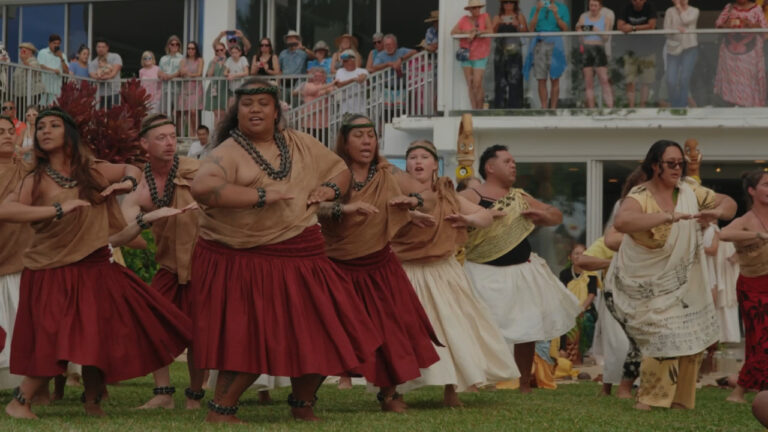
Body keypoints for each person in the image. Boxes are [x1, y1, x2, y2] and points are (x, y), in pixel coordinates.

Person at [188, 78, 381, 423]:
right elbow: (202, 187)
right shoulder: (227, 152)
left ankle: (302, 403)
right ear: (236, 111)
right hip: (247, 259)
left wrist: (328, 190)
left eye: (263, 103)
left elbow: (340, 170)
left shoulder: (301, 143)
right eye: (247, 104)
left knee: (326, 331)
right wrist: (260, 196)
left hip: (303, 253)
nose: (255, 110)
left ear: (276, 111)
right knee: (252, 338)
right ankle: (221, 410)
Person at [0, 107, 193, 419]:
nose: (45, 130)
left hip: (95, 266)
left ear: (69, 135)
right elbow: (6, 210)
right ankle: (20, 401)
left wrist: (126, 184)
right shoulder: (36, 179)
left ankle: (92, 402)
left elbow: (132, 168)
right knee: (55, 338)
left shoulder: (92, 171)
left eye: (54, 125)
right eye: (41, 127)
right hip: (52, 269)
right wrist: (56, 210)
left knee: (97, 334)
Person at [318, 115, 439, 413]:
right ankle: (303, 398)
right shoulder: (334, 172)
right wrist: (345, 209)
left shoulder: (388, 172)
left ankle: (390, 394)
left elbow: (428, 195)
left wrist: (413, 203)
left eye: (371, 135)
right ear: (345, 141)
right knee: (327, 332)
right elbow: (316, 205)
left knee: (391, 330)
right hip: (337, 267)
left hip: (379, 265)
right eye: (359, 135)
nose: (367, 141)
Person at [391, 139, 519, 407]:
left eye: (424, 157)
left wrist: (467, 219)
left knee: (452, 329)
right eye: (412, 157)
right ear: (406, 166)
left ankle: (452, 390)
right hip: (406, 270)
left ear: (434, 165)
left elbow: (485, 217)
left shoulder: (448, 196)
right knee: (402, 331)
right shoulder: (396, 194)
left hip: (442, 270)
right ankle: (396, 391)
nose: (418, 161)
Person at [611, 140, 737, 410]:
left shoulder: (689, 190)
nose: (677, 168)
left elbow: (730, 203)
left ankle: (681, 401)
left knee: (691, 336)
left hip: (685, 279)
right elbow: (622, 222)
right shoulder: (640, 194)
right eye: (671, 163)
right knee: (662, 335)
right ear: (655, 165)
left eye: (680, 163)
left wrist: (717, 211)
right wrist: (666, 216)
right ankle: (649, 398)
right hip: (648, 282)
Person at [459, 145, 581, 394]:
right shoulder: (470, 196)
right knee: (478, 329)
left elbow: (555, 214)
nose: (513, 165)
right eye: (507, 161)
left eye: (514, 161)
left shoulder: (519, 196)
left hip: (520, 271)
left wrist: (545, 216)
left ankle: (524, 382)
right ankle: (475, 380)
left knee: (528, 328)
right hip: (481, 271)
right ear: (490, 167)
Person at [119, 114, 204, 410]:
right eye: (161, 138)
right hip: (169, 267)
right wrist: (146, 219)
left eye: (173, 136)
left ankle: (194, 396)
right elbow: (122, 233)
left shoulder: (196, 171)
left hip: (202, 266)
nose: (170, 143)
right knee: (151, 323)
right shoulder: (140, 187)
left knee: (200, 333)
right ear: (144, 144)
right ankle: (163, 393)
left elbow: (224, 198)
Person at [720, 170, 768, 404]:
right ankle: (739, 391)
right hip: (752, 287)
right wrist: (759, 235)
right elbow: (723, 234)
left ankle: (750, 390)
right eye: (766, 185)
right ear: (752, 190)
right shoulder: (746, 220)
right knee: (760, 339)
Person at [0, 115, 34, 390]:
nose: (7, 136)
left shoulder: (28, 171)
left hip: (23, 255)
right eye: (0, 132)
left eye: (11, 131)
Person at [714, 0, 768, 107]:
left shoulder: (756, 9)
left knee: (749, 82)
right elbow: (718, 26)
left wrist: (751, 26)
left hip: (750, 58)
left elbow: (765, 31)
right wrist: (726, 26)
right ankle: (732, 106)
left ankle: (748, 108)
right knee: (730, 83)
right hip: (729, 58)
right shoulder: (729, 8)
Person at [558, 244, 598, 365]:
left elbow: (592, 294)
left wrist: (582, 309)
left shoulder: (591, 274)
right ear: (570, 257)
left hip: (585, 309)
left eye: (582, 254)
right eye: (576, 254)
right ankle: (564, 352)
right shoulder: (564, 274)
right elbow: (563, 293)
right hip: (569, 309)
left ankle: (581, 354)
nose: (579, 256)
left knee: (586, 320)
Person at [526, 0, 570, 109]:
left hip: (556, 44)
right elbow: (531, 29)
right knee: (541, 78)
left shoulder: (562, 8)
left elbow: (565, 28)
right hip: (540, 44)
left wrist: (556, 14)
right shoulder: (535, 8)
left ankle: (553, 108)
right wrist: (537, 11)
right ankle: (544, 108)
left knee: (555, 78)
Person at [451, 0, 493, 110]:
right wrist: (466, 32)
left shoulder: (485, 16)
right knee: (470, 83)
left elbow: (490, 30)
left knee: (477, 83)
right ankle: (474, 109)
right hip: (467, 54)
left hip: (480, 53)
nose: (476, 10)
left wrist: (477, 32)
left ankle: (479, 110)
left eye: (478, 7)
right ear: (469, 9)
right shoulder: (464, 19)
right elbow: (453, 32)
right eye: (474, 8)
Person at [617, 0, 657, 108]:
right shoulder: (626, 7)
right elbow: (620, 25)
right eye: (634, 0)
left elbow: (652, 25)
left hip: (647, 51)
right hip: (631, 51)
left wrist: (633, 28)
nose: (637, 2)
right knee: (630, 81)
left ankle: (642, 107)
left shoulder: (649, 7)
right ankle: (631, 107)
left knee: (646, 81)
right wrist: (628, 27)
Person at [577, 0, 614, 108]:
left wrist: (594, 30)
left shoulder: (606, 18)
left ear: (600, 7)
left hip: (599, 48)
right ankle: (592, 109)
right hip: (587, 49)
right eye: (591, 5)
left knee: (604, 79)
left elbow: (606, 37)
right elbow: (579, 30)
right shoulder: (583, 17)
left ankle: (610, 108)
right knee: (588, 82)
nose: (593, 8)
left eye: (595, 5)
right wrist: (592, 28)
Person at [492, 0, 527, 109]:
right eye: (505, 2)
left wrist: (518, 25)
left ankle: (515, 108)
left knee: (515, 80)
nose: (508, 4)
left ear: (515, 4)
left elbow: (526, 31)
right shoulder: (497, 17)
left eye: (511, 2)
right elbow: (491, 33)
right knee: (500, 80)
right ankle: (499, 108)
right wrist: (498, 24)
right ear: (502, 4)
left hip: (514, 52)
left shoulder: (519, 16)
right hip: (500, 53)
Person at [664, 0, 699, 108]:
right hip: (673, 49)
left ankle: (683, 106)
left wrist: (679, 7)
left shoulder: (694, 11)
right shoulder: (669, 11)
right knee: (671, 80)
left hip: (690, 48)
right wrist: (676, 30)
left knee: (684, 78)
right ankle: (675, 105)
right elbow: (666, 31)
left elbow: (686, 20)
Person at [293, 67, 334, 141]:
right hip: (308, 121)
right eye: (316, 76)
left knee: (323, 143)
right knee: (308, 143)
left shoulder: (329, 86)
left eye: (320, 76)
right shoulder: (307, 85)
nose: (318, 78)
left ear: (325, 78)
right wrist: (330, 85)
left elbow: (330, 91)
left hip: (323, 122)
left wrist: (326, 89)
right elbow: (313, 90)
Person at [178, 41, 204, 136]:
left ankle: (197, 134)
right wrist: (183, 73)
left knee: (193, 112)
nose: (190, 50)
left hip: (196, 88)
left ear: (196, 50)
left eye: (193, 48)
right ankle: (191, 135)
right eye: (189, 48)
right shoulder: (183, 61)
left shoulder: (200, 60)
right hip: (185, 88)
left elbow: (199, 73)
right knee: (187, 112)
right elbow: (181, 73)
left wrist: (189, 74)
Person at [88, 39, 122, 109]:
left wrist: (102, 76)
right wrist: (104, 76)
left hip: (115, 93)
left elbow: (113, 74)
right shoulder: (93, 63)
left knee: (114, 114)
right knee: (101, 114)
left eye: (103, 47)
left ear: (107, 48)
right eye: (99, 47)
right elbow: (92, 75)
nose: (101, 49)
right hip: (100, 95)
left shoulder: (115, 57)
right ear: (96, 48)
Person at [37, 35, 69, 106]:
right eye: (54, 43)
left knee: (55, 110)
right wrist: (53, 70)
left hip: (57, 90)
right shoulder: (43, 52)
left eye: (58, 43)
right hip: (44, 89)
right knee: (43, 109)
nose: (56, 45)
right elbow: (41, 66)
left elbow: (67, 71)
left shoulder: (63, 55)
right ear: (49, 43)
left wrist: (61, 58)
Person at [334, 50, 369, 115]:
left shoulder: (363, 71)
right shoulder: (340, 71)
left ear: (353, 60)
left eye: (346, 61)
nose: (344, 63)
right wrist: (353, 80)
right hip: (345, 109)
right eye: (343, 61)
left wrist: (359, 78)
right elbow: (339, 85)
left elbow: (362, 79)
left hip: (360, 108)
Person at [204, 42, 229, 126]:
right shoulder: (212, 62)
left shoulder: (229, 60)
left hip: (225, 88)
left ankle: (223, 132)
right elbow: (209, 75)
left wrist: (224, 63)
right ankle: (217, 132)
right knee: (217, 114)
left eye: (221, 50)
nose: (219, 52)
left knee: (225, 114)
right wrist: (214, 63)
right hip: (214, 88)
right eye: (217, 50)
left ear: (225, 50)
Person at [158, 35, 184, 114]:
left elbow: (181, 71)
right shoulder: (163, 58)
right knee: (164, 112)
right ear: (169, 45)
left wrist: (170, 76)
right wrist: (163, 75)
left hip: (178, 89)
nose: (175, 46)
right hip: (165, 89)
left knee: (178, 113)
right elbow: (159, 72)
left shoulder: (182, 58)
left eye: (177, 44)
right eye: (172, 44)